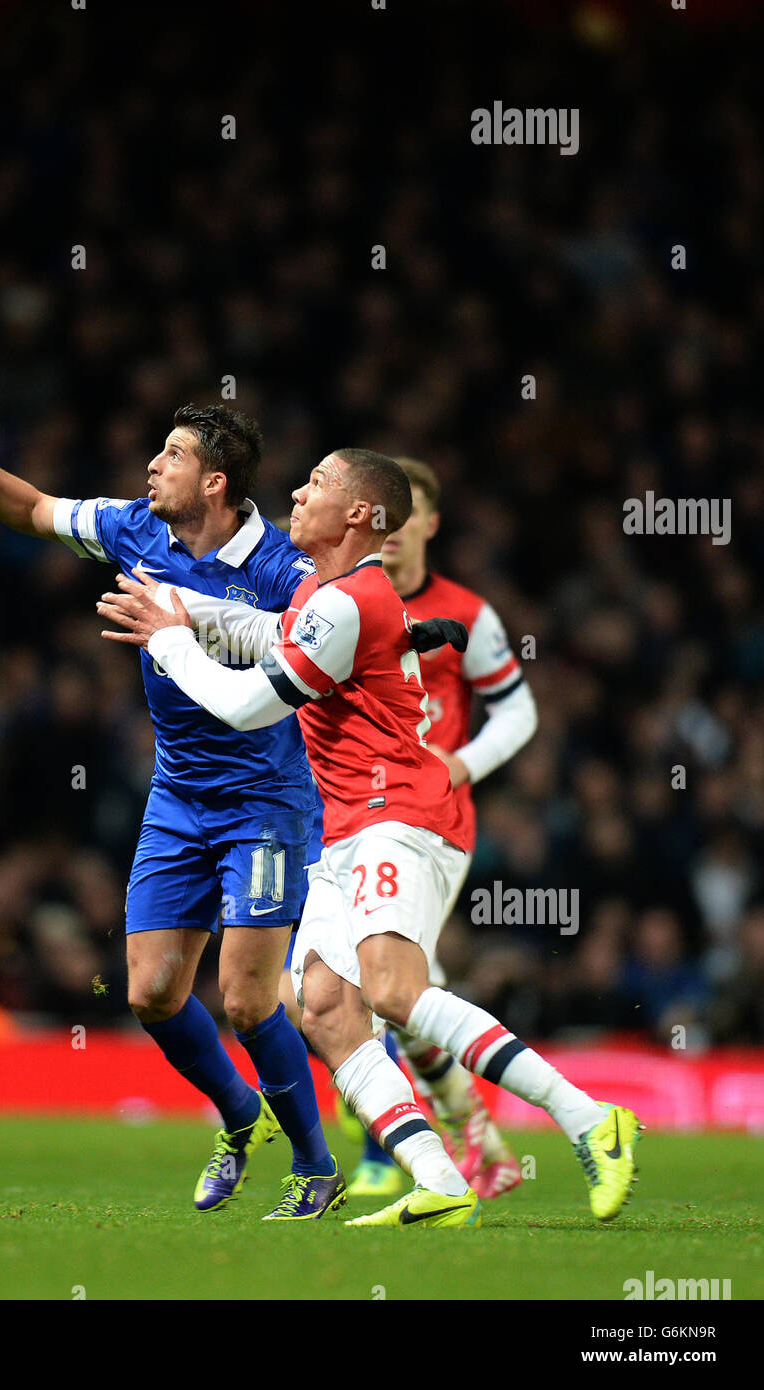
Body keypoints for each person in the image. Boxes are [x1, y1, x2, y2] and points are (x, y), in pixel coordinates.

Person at [98, 447, 642, 1227]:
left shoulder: (347, 601)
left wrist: (170, 641)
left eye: (316, 482)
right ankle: (441, 1178)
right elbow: (265, 629)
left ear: (357, 514)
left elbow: (249, 704)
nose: (296, 489)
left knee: (390, 990)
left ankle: (591, 1118)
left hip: (401, 817)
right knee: (320, 1006)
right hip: (343, 830)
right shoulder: (329, 594)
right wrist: (186, 610)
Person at [0, 407, 345, 1221]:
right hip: (177, 798)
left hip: (266, 806)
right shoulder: (135, 529)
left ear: (214, 481)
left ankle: (314, 1164)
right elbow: (32, 509)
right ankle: (240, 1117)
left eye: (170, 455)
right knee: (151, 996)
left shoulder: (282, 565)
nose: (150, 466)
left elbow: (321, 639)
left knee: (245, 999)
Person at [320, 456, 539, 1202]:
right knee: (394, 995)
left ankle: (400, 1148)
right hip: (350, 813)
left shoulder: (468, 614)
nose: (391, 531)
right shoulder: (342, 599)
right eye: (381, 516)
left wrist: (464, 764)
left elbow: (518, 711)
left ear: (429, 524)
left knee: (374, 988)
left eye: (406, 516)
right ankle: (474, 1139)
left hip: (430, 817)